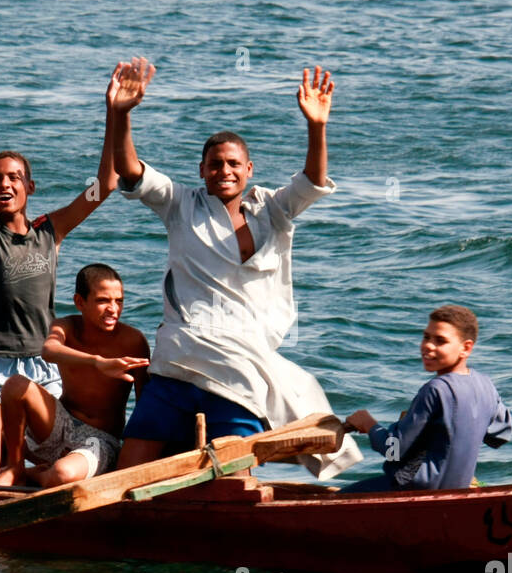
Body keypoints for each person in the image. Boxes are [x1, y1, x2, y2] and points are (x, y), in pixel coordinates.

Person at [108, 58, 361, 477]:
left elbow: (314, 181)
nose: (223, 171)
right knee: (130, 467)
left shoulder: (272, 209)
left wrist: (317, 126)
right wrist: (121, 115)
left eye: (232, 164)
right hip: (181, 358)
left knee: (234, 472)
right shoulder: (180, 204)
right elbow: (130, 172)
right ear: (202, 171)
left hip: (241, 367)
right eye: (214, 165)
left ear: (248, 170)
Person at [0, 60, 149, 481]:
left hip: (41, 368)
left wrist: (114, 112)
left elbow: (105, 184)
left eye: (15, 178)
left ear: (29, 187)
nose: (5, 185)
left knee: (38, 467)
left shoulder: (51, 231)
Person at [0, 264, 150, 486]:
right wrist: (97, 362)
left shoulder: (133, 341)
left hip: (100, 439)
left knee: (62, 475)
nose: (113, 309)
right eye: (103, 300)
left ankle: (32, 475)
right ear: (80, 302)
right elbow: (49, 350)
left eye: (119, 301)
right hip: (61, 424)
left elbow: (144, 404)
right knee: (15, 385)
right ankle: (15, 467)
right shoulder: (67, 326)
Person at [342, 305, 512, 492]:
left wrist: (369, 425)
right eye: (426, 337)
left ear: (466, 347)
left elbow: (394, 451)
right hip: (458, 488)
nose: (428, 345)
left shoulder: (435, 389)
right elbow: (500, 436)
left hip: (414, 489)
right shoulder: (486, 385)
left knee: (341, 498)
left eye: (440, 341)